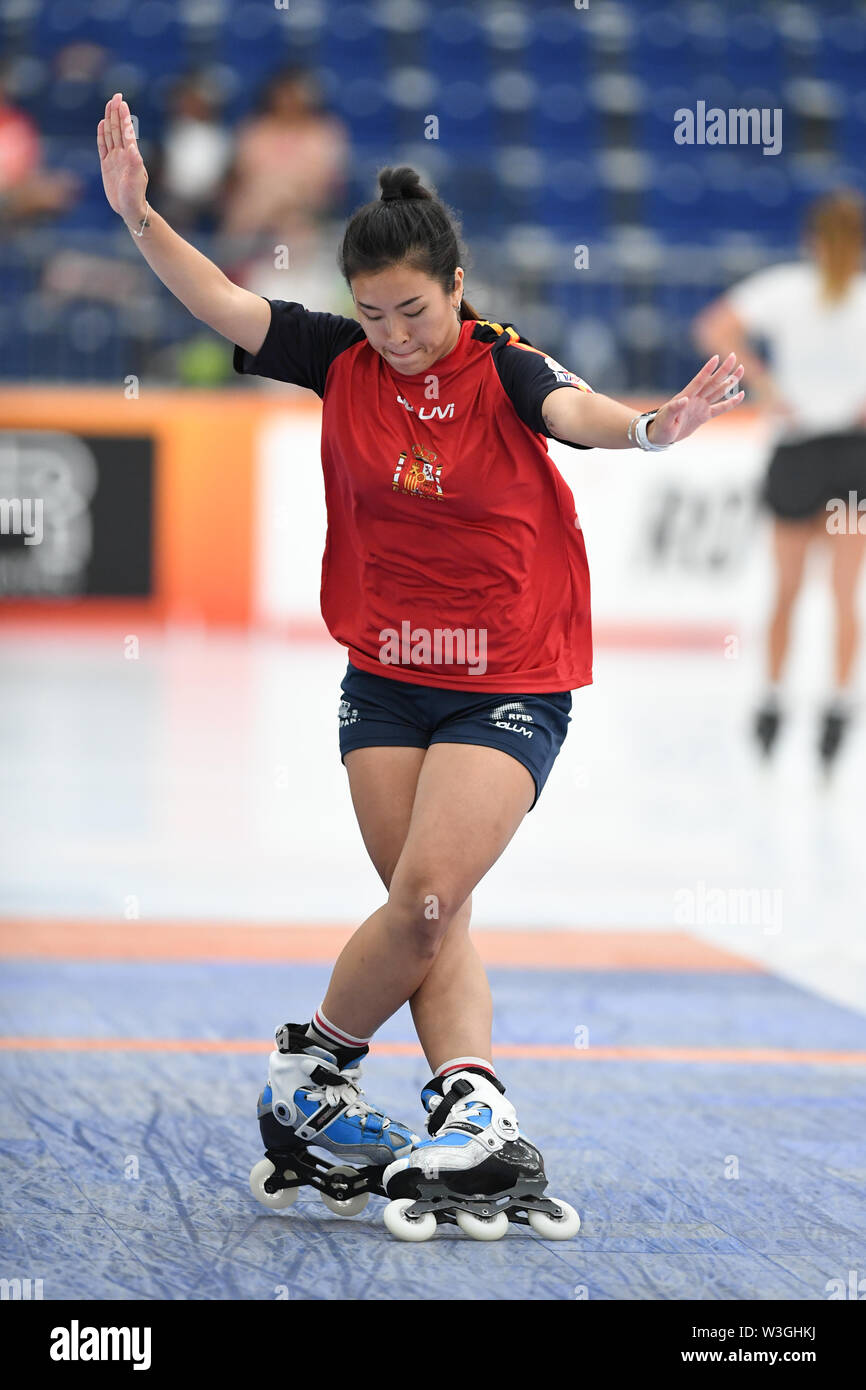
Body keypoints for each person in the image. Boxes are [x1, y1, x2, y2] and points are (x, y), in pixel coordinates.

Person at [98, 92, 744, 1239]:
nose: (393, 333)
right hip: (383, 674)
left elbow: (576, 410)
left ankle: (312, 1071)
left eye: (411, 310)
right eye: (371, 313)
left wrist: (651, 428)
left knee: (427, 897)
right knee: (424, 914)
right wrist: (143, 216)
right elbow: (227, 303)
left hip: (509, 672)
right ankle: (473, 1106)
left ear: (455, 288)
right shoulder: (336, 357)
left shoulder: (501, 367)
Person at [694, 191, 866, 774]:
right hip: (852, 455)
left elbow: (715, 326)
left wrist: (765, 385)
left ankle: (772, 700)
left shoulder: (788, 288)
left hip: (799, 451)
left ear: (812, 240)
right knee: (845, 592)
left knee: (787, 590)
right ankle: (839, 707)